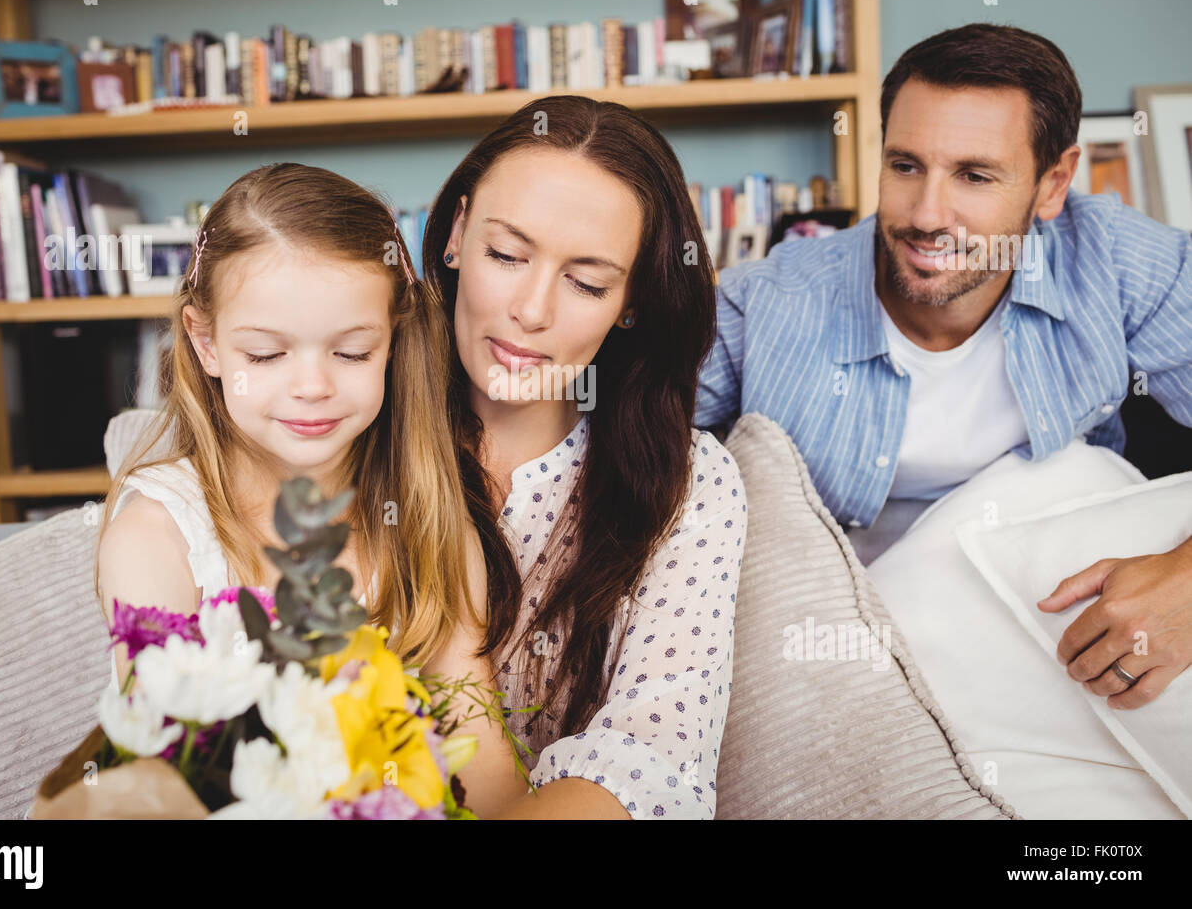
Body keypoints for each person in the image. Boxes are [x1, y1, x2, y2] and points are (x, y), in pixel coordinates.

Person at [696, 23, 1192, 709]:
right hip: (844, 648)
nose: (928, 215)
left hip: (1045, 619)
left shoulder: (1111, 259)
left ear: (1053, 184)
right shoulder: (772, 303)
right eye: (905, 166)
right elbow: (610, 444)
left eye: (975, 175)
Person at [94, 162, 526, 816]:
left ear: (393, 341)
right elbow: (163, 784)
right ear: (206, 342)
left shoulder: (429, 519)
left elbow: (482, 753)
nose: (312, 387)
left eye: (351, 352)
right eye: (266, 355)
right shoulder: (158, 536)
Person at [423, 95, 748, 818]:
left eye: (587, 282)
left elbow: (649, 765)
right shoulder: (346, 420)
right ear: (456, 231)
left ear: (630, 300)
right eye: (506, 255)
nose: (531, 310)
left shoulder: (690, 486)